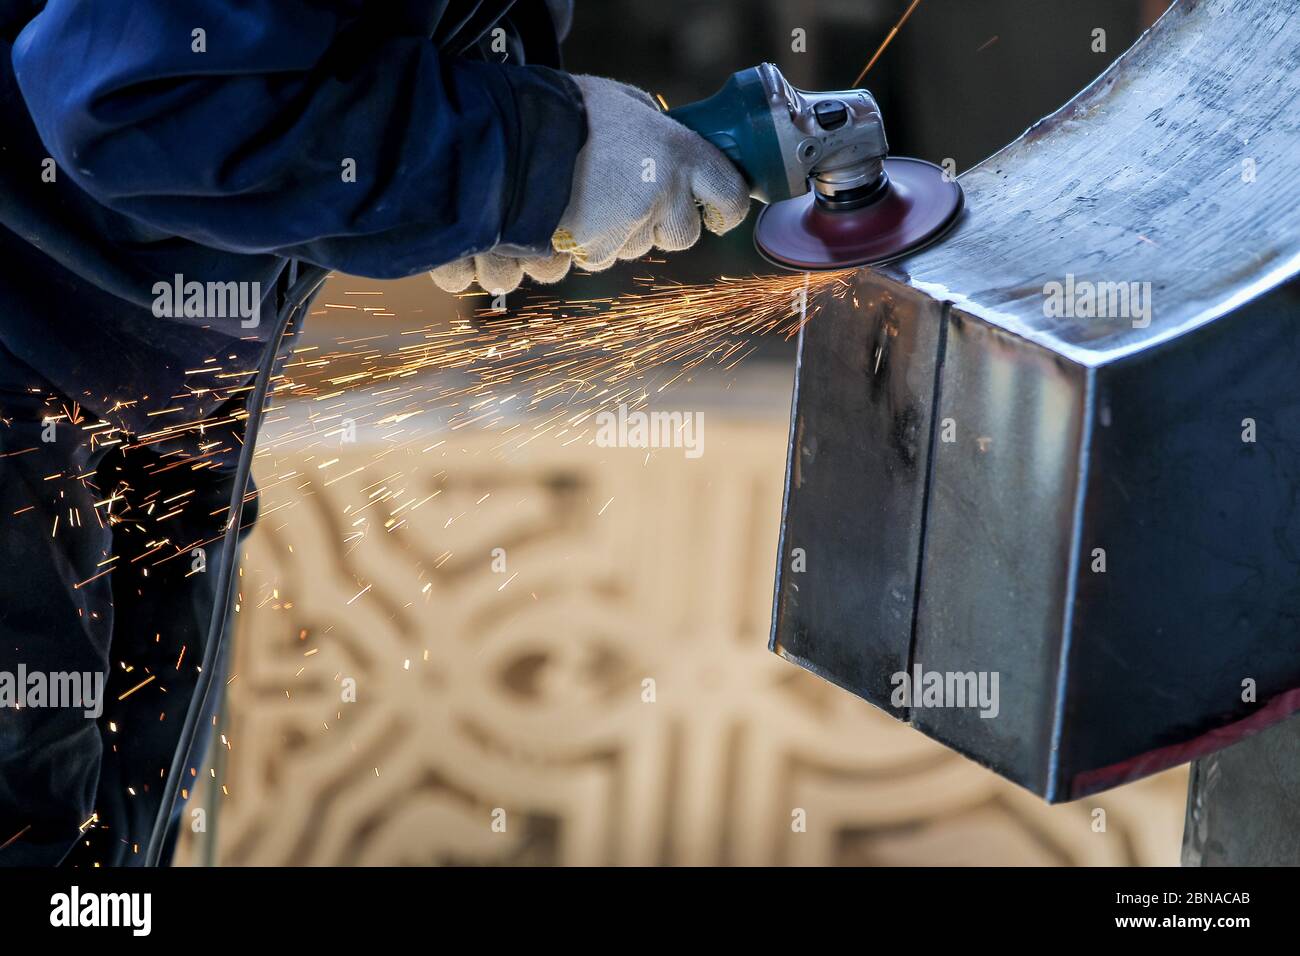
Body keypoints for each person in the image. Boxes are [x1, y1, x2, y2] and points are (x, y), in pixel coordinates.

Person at [0, 0, 749, 866]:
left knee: (113, 863)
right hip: (25, 346)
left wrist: (458, 185)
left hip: (153, 391)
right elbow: (126, 93)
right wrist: (524, 158)